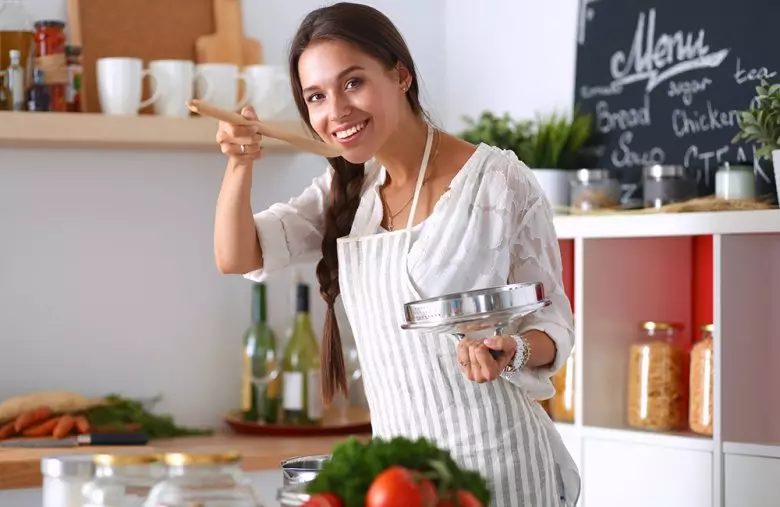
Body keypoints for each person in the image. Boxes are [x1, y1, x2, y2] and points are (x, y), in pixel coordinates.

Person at [213, 3, 579, 506]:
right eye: (315, 96)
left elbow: (554, 324)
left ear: (401, 75)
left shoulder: (497, 181)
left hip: (503, 465)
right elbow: (236, 256)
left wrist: (510, 350)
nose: (335, 112)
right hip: (402, 480)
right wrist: (238, 166)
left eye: (352, 83)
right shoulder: (345, 190)